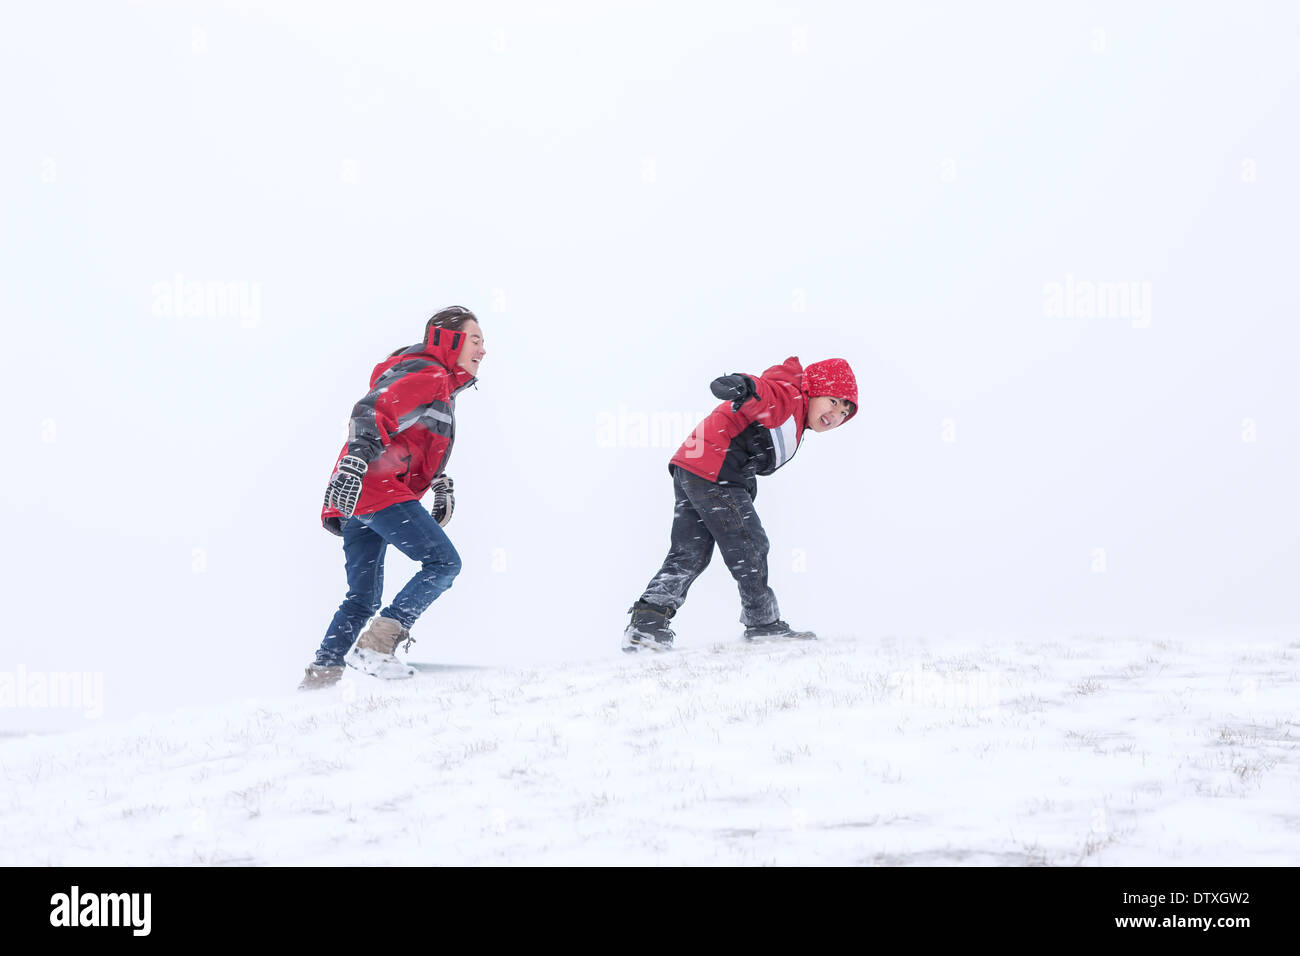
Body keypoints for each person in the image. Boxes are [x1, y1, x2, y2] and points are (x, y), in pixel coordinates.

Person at [299, 306, 487, 689]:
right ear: (449, 340)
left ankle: (321, 678)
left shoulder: (431, 381)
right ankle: (377, 646)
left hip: (358, 496)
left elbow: (408, 439)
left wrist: (437, 480)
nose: (483, 351)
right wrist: (355, 463)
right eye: (475, 340)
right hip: (372, 486)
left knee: (363, 597)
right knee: (443, 563)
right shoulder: (429, 374)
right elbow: (375, 410)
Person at [623, 356, 858, 652]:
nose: (837, 413)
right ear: (814, 388)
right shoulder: (791, 396)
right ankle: (763, 623)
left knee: (690, 552)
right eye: (834, 401)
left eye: (845, 411)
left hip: (693, 467)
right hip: (713, 470)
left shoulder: (796, 416)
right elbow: (765, 393)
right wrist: (745, 386)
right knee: (749, 544)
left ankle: (647, 624)